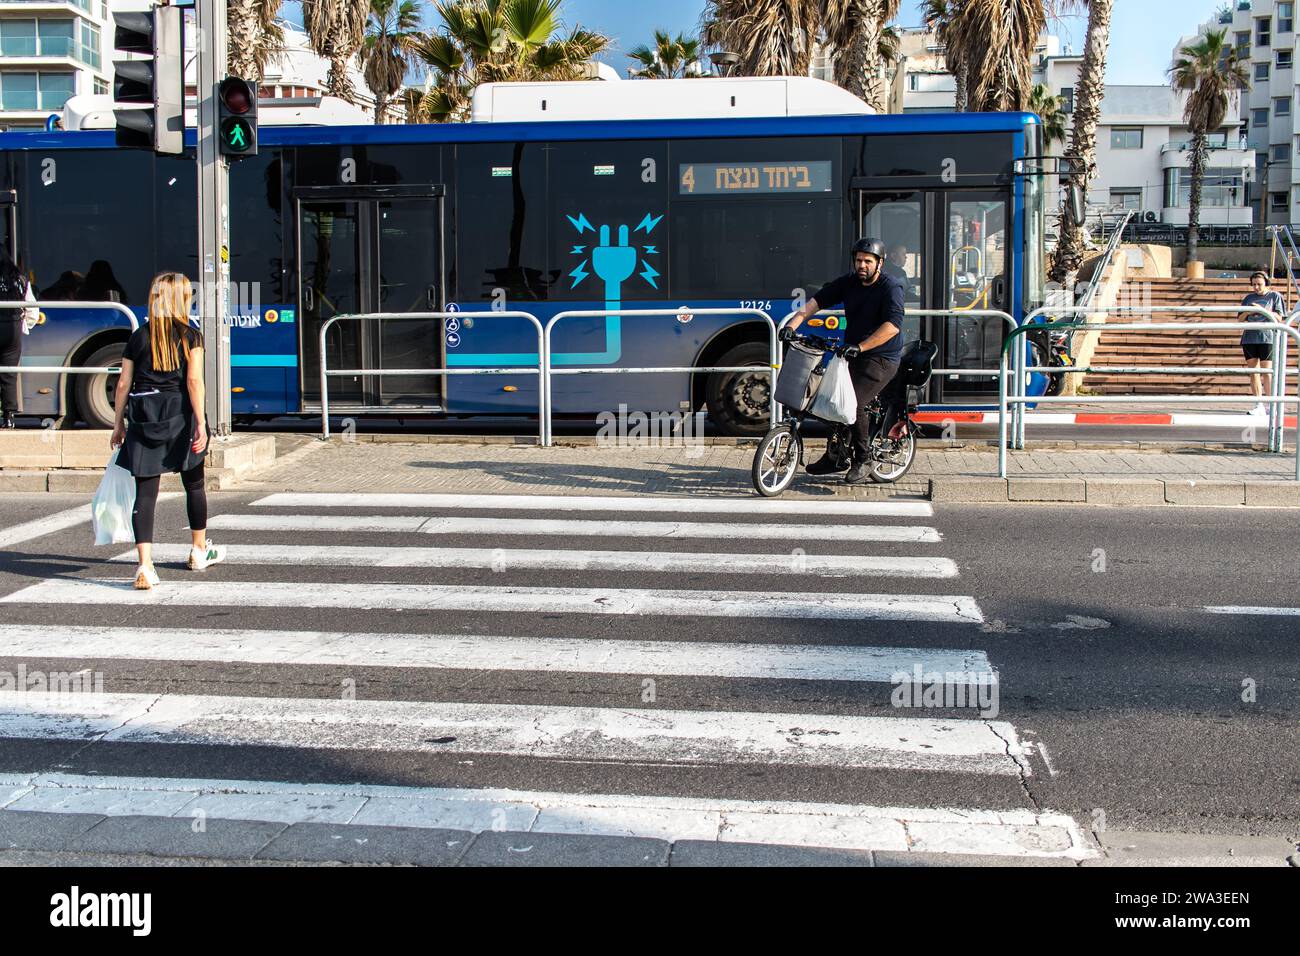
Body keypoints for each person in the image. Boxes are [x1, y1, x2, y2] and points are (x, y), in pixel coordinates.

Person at [109, 272, 224, 589]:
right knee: (194, 484)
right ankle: (199, 550)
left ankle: (145, 566)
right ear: (183, 299)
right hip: (181, 415)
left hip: (145, 417)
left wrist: (118, 423)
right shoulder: (191, 335)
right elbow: (194, 381)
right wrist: (201, 422)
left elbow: (122, 384)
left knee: (145, 494)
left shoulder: (139, 336)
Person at [782, 237, 904, 484]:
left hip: (882, 357)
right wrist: (791, 325)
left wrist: (861, 346)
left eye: (868, 261)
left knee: (852, 403)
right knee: (828, 398)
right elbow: (816, 302)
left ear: (879, 263)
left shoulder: (890, 287)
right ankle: (835, 456)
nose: (862, 265)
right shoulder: (849, 282)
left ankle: (864, 459)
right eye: (858, 260)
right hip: (853, 353)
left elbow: (892, 327)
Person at [0, 254, 38, 429]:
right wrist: (24, 325)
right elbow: (32, 311)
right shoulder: (20, 279)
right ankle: (8, 418)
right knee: (9, 374)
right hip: (13, 330)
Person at [1239, 271, 1284, 417]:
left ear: (1266, 283)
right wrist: (1248, 311)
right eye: (1254, 285)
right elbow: (1240, 319)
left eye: (1259, 284)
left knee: (1267, 373)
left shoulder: (1274, 296)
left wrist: (1262, 310)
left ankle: (1272, 405)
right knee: (1254, 372)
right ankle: (1259, 404)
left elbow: (1279, 318)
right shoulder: (1248, 298)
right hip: (1250, 338)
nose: (1256, 287)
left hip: (1267, 337)